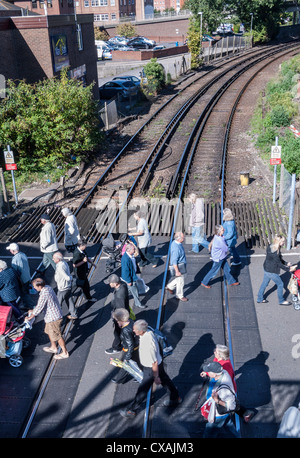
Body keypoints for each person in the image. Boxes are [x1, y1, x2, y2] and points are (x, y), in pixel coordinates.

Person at [119, 319, 181, 418]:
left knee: (143, 389)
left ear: (141, 331)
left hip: (151, 369)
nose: (133, 331)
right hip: (158, 364)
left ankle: (132, 410)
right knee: (165, 380)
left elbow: (154, 362)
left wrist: (156, 377)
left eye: (135, 330)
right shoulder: (149, 332)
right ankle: (175, 397)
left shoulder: (149, 344)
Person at [202, 344, 254, 423]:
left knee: (228, 403)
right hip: (218, 385)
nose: (214, 352)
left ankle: (245, 413)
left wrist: (208, 374)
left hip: (225, 388)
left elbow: (225, 381)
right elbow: (213, 368)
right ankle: (245, 413)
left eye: (215, 351)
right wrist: (206, 372)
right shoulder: (218, 359)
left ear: (220, 354)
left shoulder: (225, 366)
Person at [25, 278, 69, 360]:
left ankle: (65, 352)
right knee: (49, 331)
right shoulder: (48, 287)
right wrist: (33, 310)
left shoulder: (44, 293)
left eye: (34, 286)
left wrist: (30, 316)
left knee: (57, 335)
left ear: (39, 286)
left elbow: (39, 307)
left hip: (53, 318)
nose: (34, 288)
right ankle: (53, 347)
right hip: (50, 316)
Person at [200, 361, 239, 438]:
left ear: (215, 373)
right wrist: (207, 374)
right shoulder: (223, 372)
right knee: (228, 425)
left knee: (209, 433)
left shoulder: (224, 388)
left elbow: (231, 406)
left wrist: (217, 400)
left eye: (209, 371)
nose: (207, 372)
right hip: (223, 414)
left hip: (218, 415)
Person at [257, 235, 297, 305]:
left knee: (264, 283)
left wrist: (286, 263)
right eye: (283, 241)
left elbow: (279, 259)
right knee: (280, 284)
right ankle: (281, 301)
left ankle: (259, 299)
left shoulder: (271, 246)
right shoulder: (275, 252)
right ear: (278, 242)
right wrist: (288, 269)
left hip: (266, 268)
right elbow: (279, 264)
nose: (284, 243)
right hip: (271, 271)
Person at [110, 308, 140, 384]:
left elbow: (130, 345)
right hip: (137, 347)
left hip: (128, 350)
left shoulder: (125, 330)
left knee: (125, 365)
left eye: (117, 320)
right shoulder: (131, 321)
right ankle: (141, 375)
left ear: (120, 321)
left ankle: (119, 380)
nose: (116, 322)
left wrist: (127, 357)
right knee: (138, 363)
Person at [104, 273, 130, 355]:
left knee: (117, 332)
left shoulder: (119, 296)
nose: (109, 284)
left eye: (110, 282)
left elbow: (120, 310)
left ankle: (116, 347)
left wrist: (119, 321)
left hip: (120, 316)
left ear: (115, 283)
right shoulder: (123, 285)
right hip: (125, 312)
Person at [6, 242, 33, 309]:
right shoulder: (23, 254)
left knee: (24, 294)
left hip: (22, 279)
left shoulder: (15, 259)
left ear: (12, 250)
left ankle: (31, 307)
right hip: (27, 277)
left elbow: (15, 271)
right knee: (26, 292)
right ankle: (26, 305)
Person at [53, 252, 77, 320]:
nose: (52, 259)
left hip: (62, 287)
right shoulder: (64, 262)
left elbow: (67, 277)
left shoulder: (60, 267)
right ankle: (73, 313)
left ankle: (58, 317)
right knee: (69, 299)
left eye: (54, 258)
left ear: (58, 259)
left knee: (58, 303)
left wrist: (71, 278)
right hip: (68, 286)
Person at [121, 244, 145, 309]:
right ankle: (138, 304)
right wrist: (129, 281)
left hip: (132, 275)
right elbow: (126, 271)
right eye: (134, 249)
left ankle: (121, 298)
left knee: (128, 290)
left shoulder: (130, 256)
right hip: (130, 278)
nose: (135, 250)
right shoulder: (126, 259)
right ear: (129, 250)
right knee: (135, 291)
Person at [165, 232, 188, 302]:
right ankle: (179, 295)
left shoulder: (175, 243)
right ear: (179, 239)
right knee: (181, 281)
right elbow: (174, 261)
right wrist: (177, 271)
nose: (184, 239)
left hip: (180, 265)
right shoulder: (176, 249)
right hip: (179, 267)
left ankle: (170, 286)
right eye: (183, 238)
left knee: (180, 279)